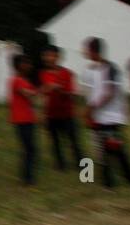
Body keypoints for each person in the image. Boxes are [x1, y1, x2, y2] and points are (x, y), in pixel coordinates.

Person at [82, 38, 130, 188]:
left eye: (87, 50)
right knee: (110, 149)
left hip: (111, 117)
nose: (85, 53)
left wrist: (91, 108)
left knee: (114, 148)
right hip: (101, 117)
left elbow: (109, 93)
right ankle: (122, 180)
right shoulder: (98, 69)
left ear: (93, 51)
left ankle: (118, 181)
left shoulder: (111, 68)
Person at [40, 45, 82, 171]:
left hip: (67, 114)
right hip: (51, 115)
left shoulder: (67, 73)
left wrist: (60, 89)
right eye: (46, 55)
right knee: (55, 142)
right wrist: (43, 113)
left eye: (51, 55)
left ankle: (81, 165)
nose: (48, 58)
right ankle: (60, 164)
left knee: (73, 142)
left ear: (58, 57)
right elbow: (43, 94)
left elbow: (73, 95)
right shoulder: (43, 74)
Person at [8, 54, 40, 186]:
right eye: (25, 63)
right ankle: (27, 178)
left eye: (29, 63)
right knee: (29, 149)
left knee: (30, 149)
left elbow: (33, 96)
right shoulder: (16, 80)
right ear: (19, 65)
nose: (29, 66)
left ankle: (28, 176)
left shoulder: (25, 80)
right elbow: (28, 94)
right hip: (21, 120)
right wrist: (39, 91)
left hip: (28, 118)